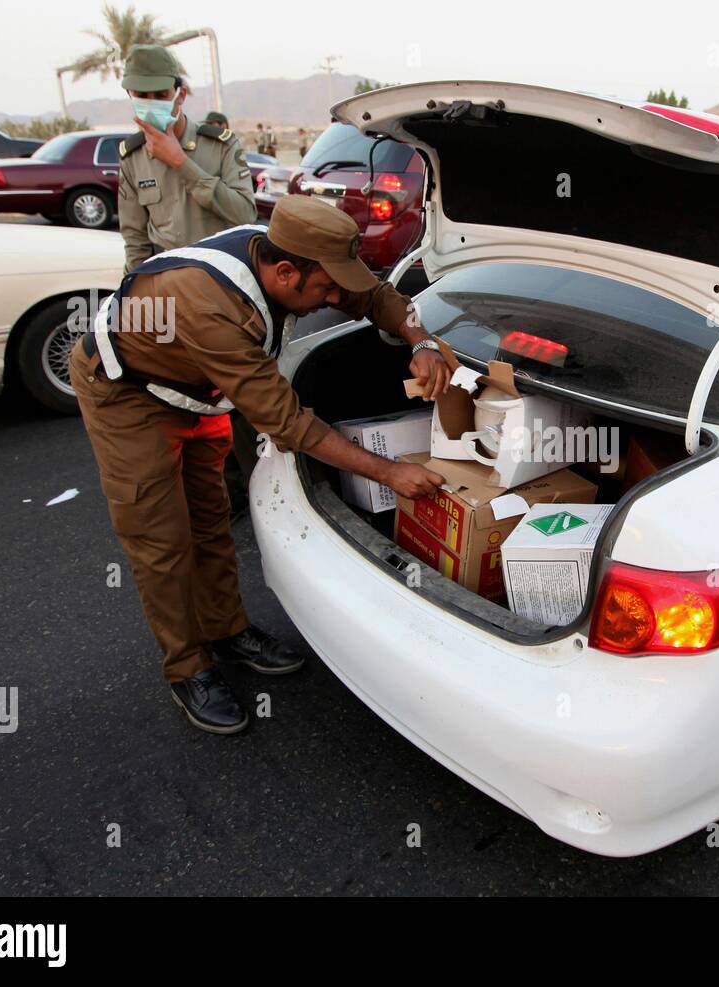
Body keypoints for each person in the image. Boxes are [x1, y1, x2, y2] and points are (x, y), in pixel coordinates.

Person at [69, 196, 451, 734]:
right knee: (161, 538)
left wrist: (422, 340)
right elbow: (289, 425)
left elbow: (377, 296)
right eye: (326, 290)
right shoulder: (207, 308)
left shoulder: (293, 250)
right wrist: (389, 473)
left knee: (211, 518)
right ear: (286, 272)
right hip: (130, 397)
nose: (337, 299)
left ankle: (227, 630)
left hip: (198, 394)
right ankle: (187, 666)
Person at [117, 45, 256, 273]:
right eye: (141, 96)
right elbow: (135, 238)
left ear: (180, 95)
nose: (151, 103)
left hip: (222, 275)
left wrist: (182, 163)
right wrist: (136, 288)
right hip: (167, 280)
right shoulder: (132, 156)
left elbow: (244, 215)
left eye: (161, 95)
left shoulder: (221, 145)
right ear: (130, 95)